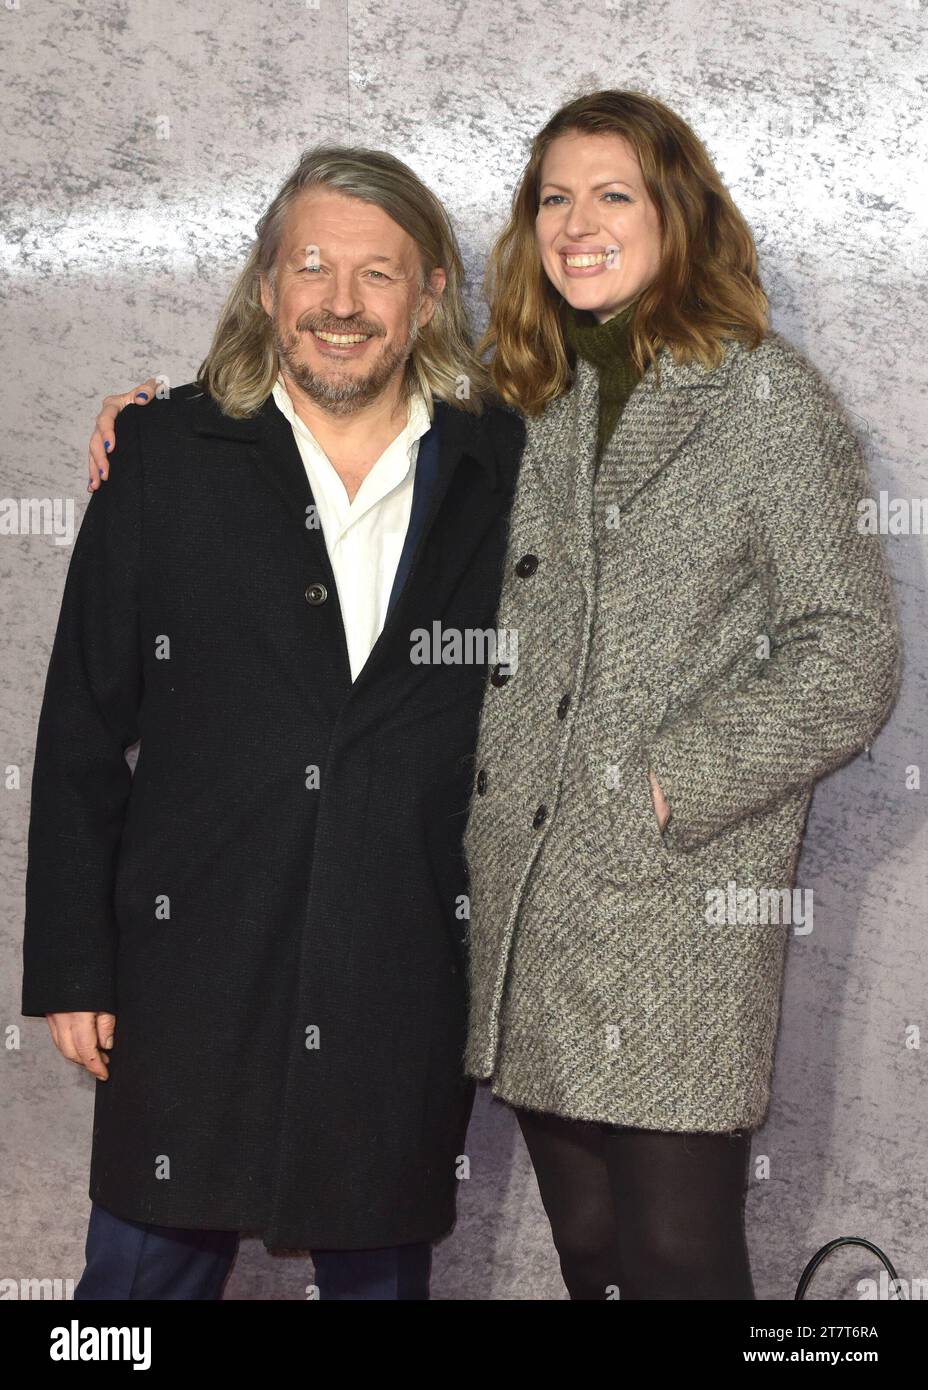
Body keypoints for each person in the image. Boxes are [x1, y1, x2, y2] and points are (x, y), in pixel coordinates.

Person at [23, 144, 525, 1300]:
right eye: (311, 267)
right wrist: (73, 963)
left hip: (397, 971)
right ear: (266, 286)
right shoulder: (159, 453)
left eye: (378, 274)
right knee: (125, 1304)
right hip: (185, 972)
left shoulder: (505, 464)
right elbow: (83, 730)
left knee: (381, 1282)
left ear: (432, 292)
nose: (340, 304)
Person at [460, 89, 903, 1299]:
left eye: (614, 194)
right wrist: (162, 414)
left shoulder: (764, 397)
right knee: (589, 1245)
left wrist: (670, 782)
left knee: (677, 1255)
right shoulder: (516, 399)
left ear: (676, 216)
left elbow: (850, 647)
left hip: (677, 900)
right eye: (554, 197)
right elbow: (333, 395)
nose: (577, 222)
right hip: (529, 891)